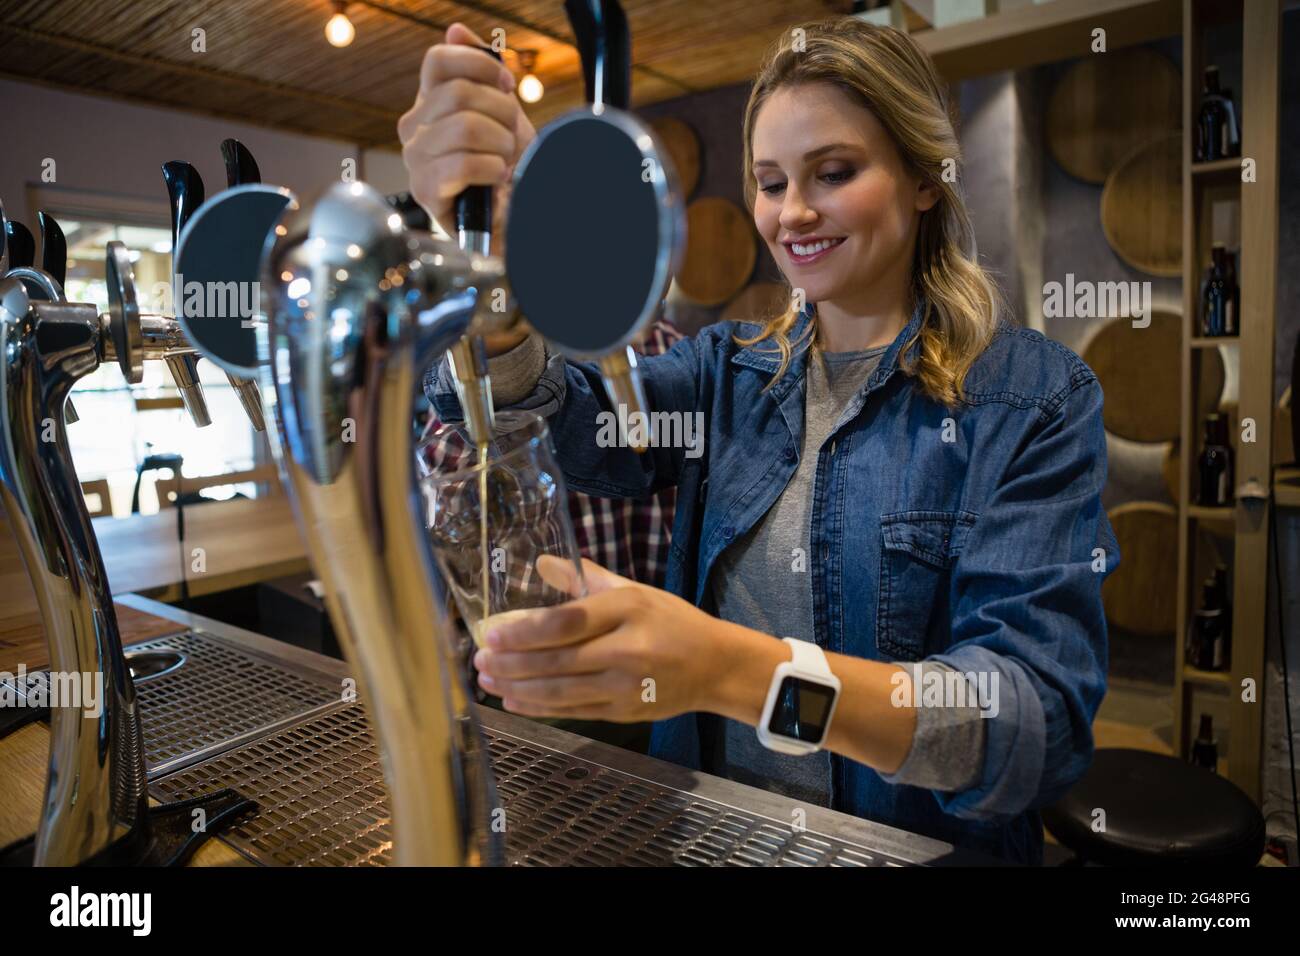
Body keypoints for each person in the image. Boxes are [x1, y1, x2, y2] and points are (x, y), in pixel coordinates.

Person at [400, 17, 1118, 865]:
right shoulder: (725, 373)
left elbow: (1030, 729)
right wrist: (501, 264)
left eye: (836, 172)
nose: (794, 212)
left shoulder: (1031, 400)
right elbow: (565, 423)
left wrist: (732, 672)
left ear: (925, 179)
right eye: (771, 182)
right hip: (717, 842)